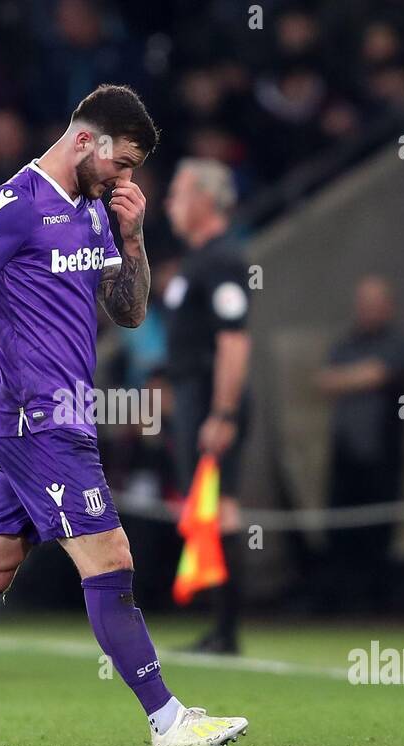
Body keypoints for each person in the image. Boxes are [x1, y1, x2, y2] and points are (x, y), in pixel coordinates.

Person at [0, 85, 248, 746]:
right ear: (85, 140)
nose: (125, 178)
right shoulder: (11, 207)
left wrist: (134, 236)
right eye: (121, 162)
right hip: (38, 418)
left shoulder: (96, 211)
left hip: (63, 416)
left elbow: (127, 312)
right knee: (112, 556)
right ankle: (168, 718)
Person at [160, 158, 252, 654]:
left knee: (223, 510)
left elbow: (234, 342)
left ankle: (228, 630)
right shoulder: (196, 260)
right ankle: (219, 627)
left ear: (203, 200)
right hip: (195, 397)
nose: (171, 203)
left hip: (212, 399)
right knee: (206, 511)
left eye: (177, 192)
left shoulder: (221, 260)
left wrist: (223, 413)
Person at [316, 276, 404, 610]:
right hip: (346, 455)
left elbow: (379, 373)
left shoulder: (399, 343)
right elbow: (325, 380)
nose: (368, 310)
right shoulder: (347, 343)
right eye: (364, 303)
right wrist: (356, 377)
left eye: (375, 303)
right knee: (341, 532)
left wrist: (349, 377)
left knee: (378, 533)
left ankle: (376, 606)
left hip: (382, 456)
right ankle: (343, 603)